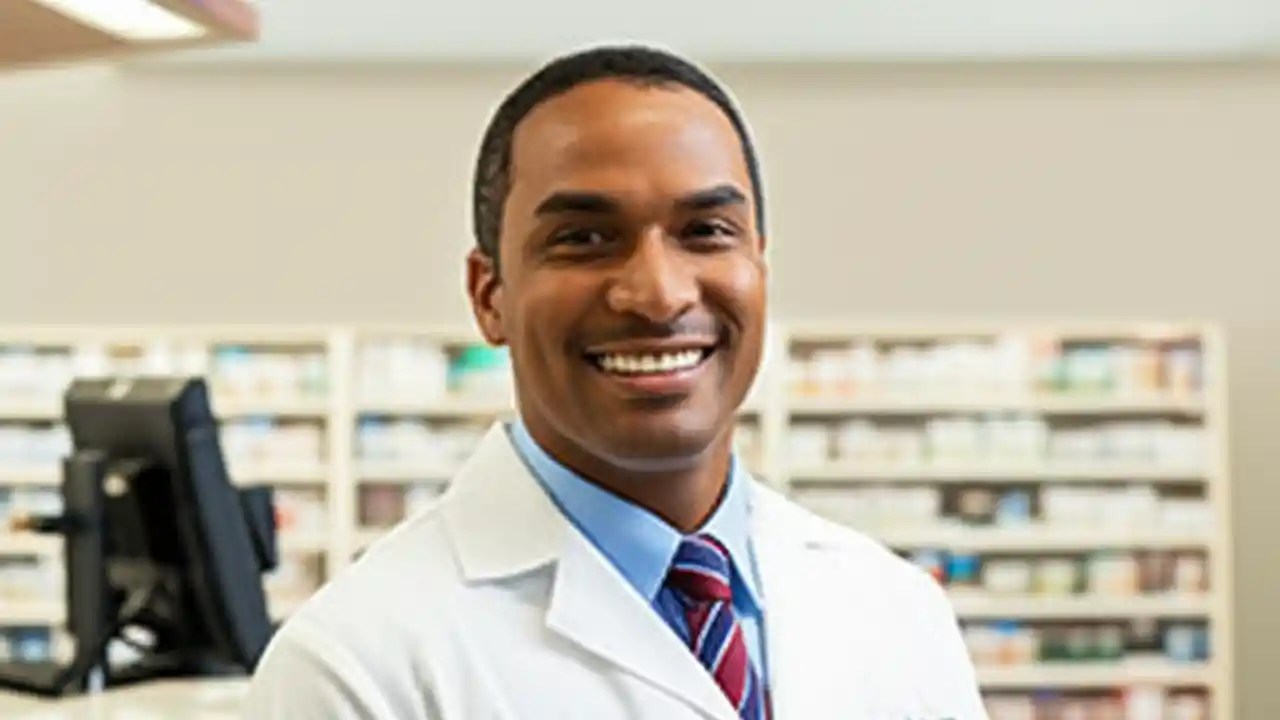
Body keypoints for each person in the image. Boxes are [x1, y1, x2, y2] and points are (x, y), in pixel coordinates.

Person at [243, 44, 988, 720]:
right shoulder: (356, 667)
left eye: (706, 232)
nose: (659, 294)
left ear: (759, 266)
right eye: (584, 239)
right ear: (489, 295)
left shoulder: (896, 612)